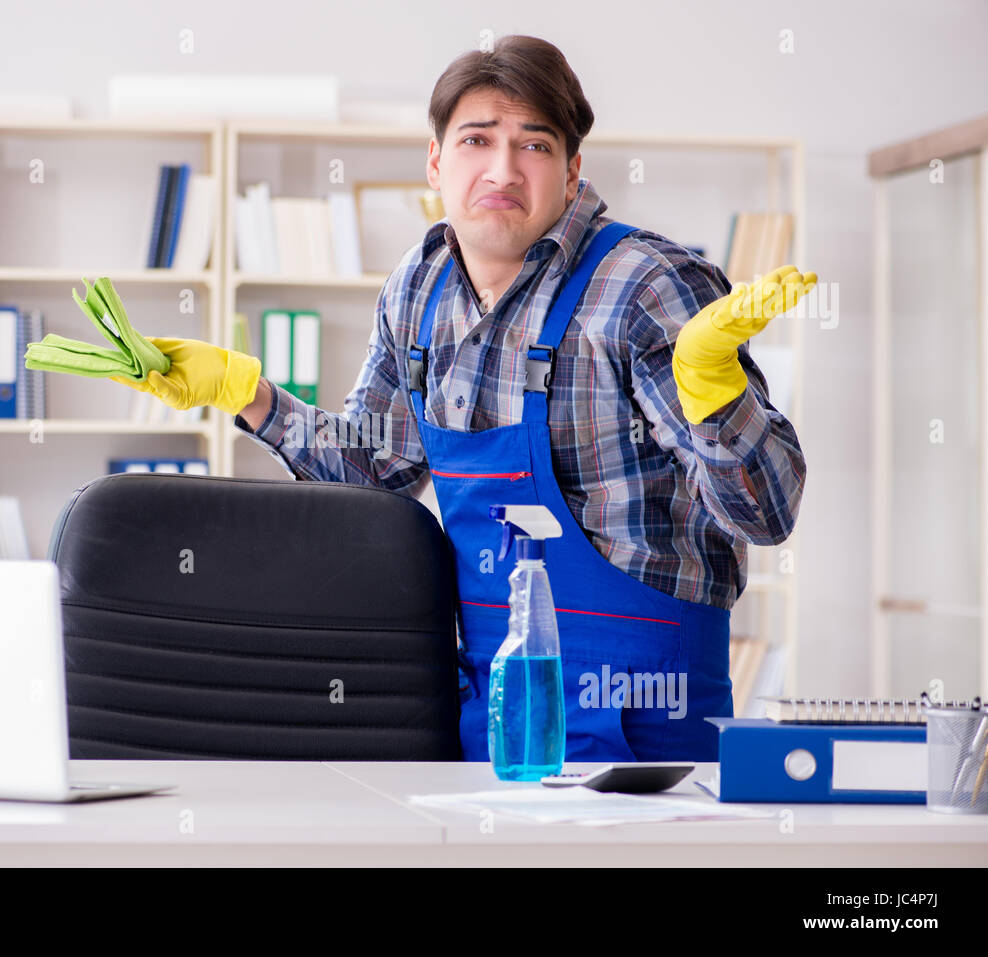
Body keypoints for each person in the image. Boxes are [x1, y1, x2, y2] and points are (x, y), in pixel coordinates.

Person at [122, 35, 814, 762]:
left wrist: (716, 396)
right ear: (435, 160)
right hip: (492, 726)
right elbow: (379, 466)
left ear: (574, 170)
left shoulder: (645, 286)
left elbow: (767, 515)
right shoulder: (419, 288)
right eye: (477, 140)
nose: (503, 169)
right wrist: (252, 396)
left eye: (535, 146)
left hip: (644, 742)